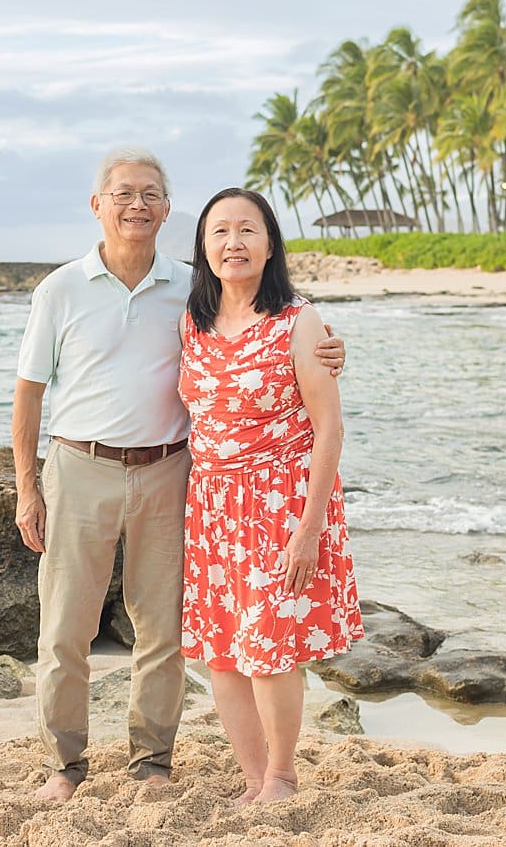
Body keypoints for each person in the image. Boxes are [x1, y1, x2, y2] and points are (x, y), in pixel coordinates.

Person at [11, 149, 345, 802]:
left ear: (167, 210)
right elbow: (27, 394)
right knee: (65, 629)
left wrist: (330, 349)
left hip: (172, 471)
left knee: (162, 630)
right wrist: (28, 487)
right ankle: (64, 765)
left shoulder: (192, 289)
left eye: (150, 194)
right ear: (97, 205)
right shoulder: (59, 290)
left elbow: (272, 331)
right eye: (123, 193)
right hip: (80, 468)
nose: (136, 204)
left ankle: (152, 762)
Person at [178, 187, 363, 804]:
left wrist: (308, 529)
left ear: (270, 242)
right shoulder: (191, 321)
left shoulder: (298, 320)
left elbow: (329, 427)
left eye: (246, 230)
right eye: (219, 232)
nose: (233, 242)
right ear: (204, 249)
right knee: (222, 650)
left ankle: (282, 777)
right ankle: (254, 781)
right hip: (210, 508)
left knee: (271, 646)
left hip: (280, 506)